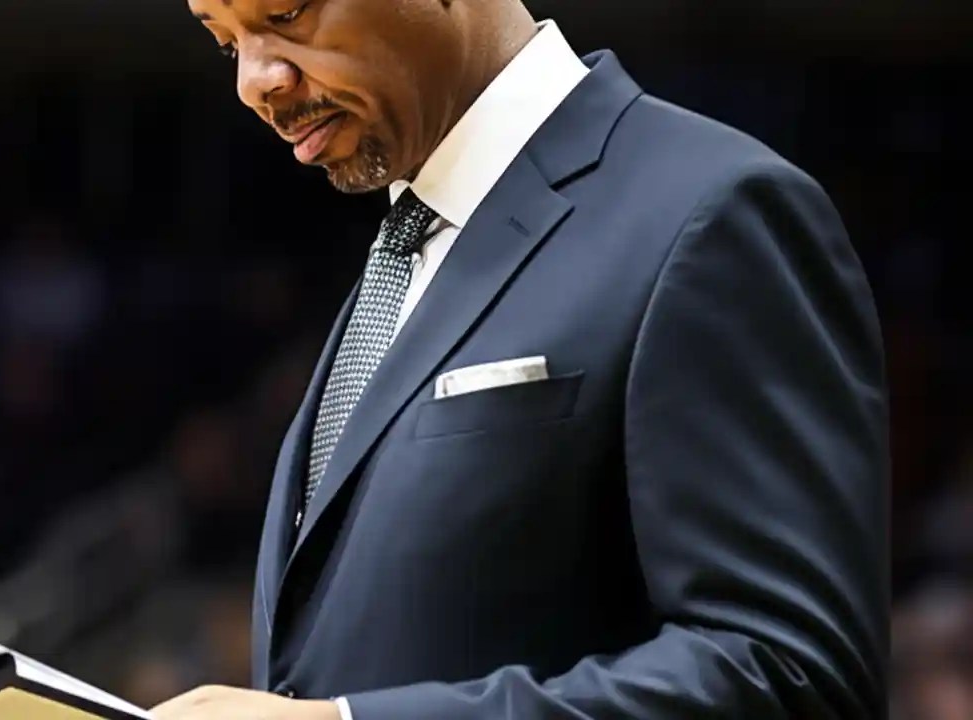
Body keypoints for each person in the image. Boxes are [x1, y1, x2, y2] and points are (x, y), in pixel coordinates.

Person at [154, 0, 888, 718]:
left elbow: (793, 677)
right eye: (225, 42)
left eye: (285, 17)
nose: (254, 81)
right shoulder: (406, 250)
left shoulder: (713, 211)